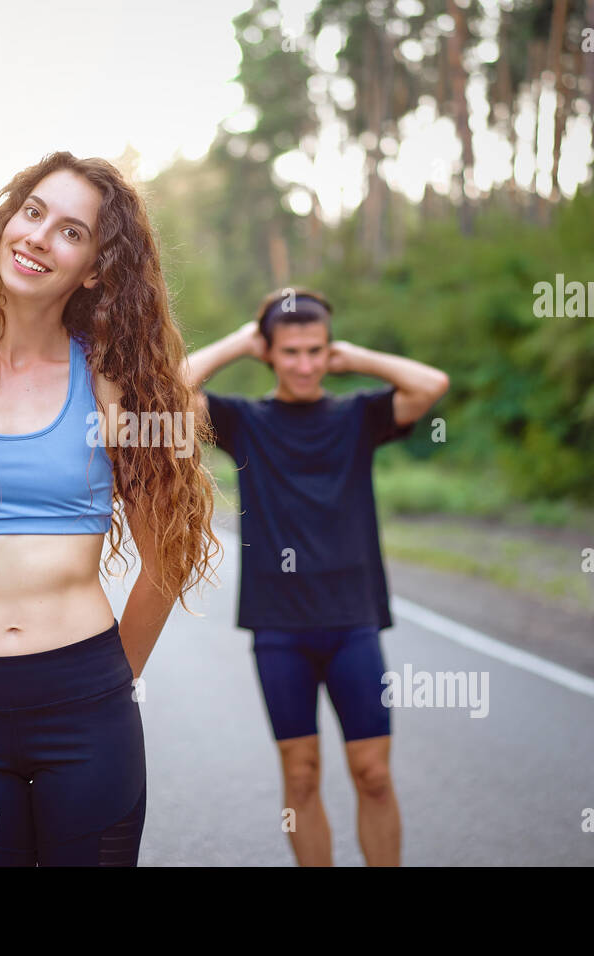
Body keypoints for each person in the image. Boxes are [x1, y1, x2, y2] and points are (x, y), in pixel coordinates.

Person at [0, 151, 220, 867]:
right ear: (5, 223)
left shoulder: (115, 388)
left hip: (86, 699)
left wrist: (108, 680)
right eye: (31, 212)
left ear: (95, 268)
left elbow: (168, 559)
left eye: (70, 231)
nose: (37, 236)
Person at [185, 287, 449, 867]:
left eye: (315, 351)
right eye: (290, 351)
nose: (304, 364)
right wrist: (239, 342)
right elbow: (172, 390)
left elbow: (431, 385)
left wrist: (356, 358)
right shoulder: (244, 421)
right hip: (278, 627)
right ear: (270, 355)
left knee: (373, 773)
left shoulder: (359, 416)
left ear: (328, 353)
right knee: (301, 777)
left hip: (352, 619)